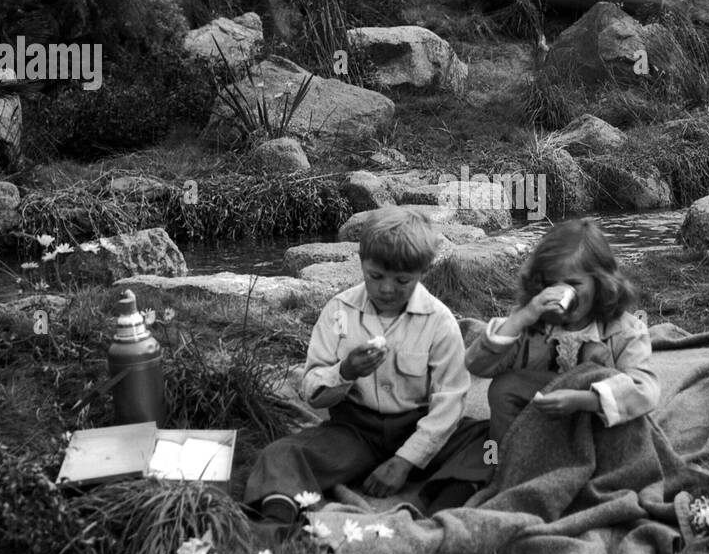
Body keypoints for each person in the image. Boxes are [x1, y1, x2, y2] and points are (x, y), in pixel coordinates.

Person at [244, 208, 472, 530]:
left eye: (402, 281)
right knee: (282, 453)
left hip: (417, 426)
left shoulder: (440, 322)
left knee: (487, 443)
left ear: (423, 270)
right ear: (361, 260)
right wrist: (345, 372)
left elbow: (451, 398)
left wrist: (406, 461)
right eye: (376, 276)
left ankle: (436, 512)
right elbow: (312, 392)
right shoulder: (340, 311)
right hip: (355, 432)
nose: (387, 289)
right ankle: (276, 524)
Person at [465, 218, 660, 452]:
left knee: (607, 381)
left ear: (600, 283)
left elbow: (646, 390)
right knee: (503, 387)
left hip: (598, 425)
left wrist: (585, 400)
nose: (560, 293)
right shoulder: (532, 322)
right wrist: (522, 317)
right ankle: (506, 461)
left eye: (574, 284)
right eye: (550, 284)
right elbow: (476, 366)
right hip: (540, 426)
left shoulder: (625, 330)